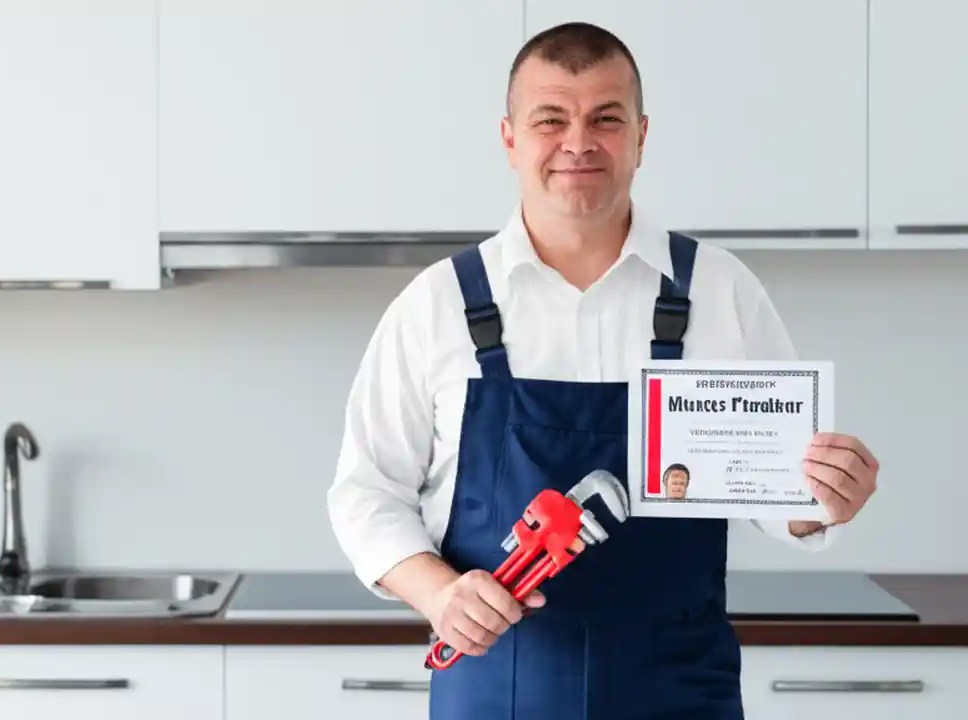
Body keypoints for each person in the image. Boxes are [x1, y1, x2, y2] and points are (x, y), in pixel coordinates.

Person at [326, 21, 879, 719]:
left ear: (642, 136)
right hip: (497, 689)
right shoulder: (436, 304)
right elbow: (364, 494)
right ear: (510, 139)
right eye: (550, 119)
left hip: (679, 692)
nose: (578, 143)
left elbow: (779, 487)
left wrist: (822, 498)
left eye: (605, 119)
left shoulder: (720, 292)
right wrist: (438, 593)